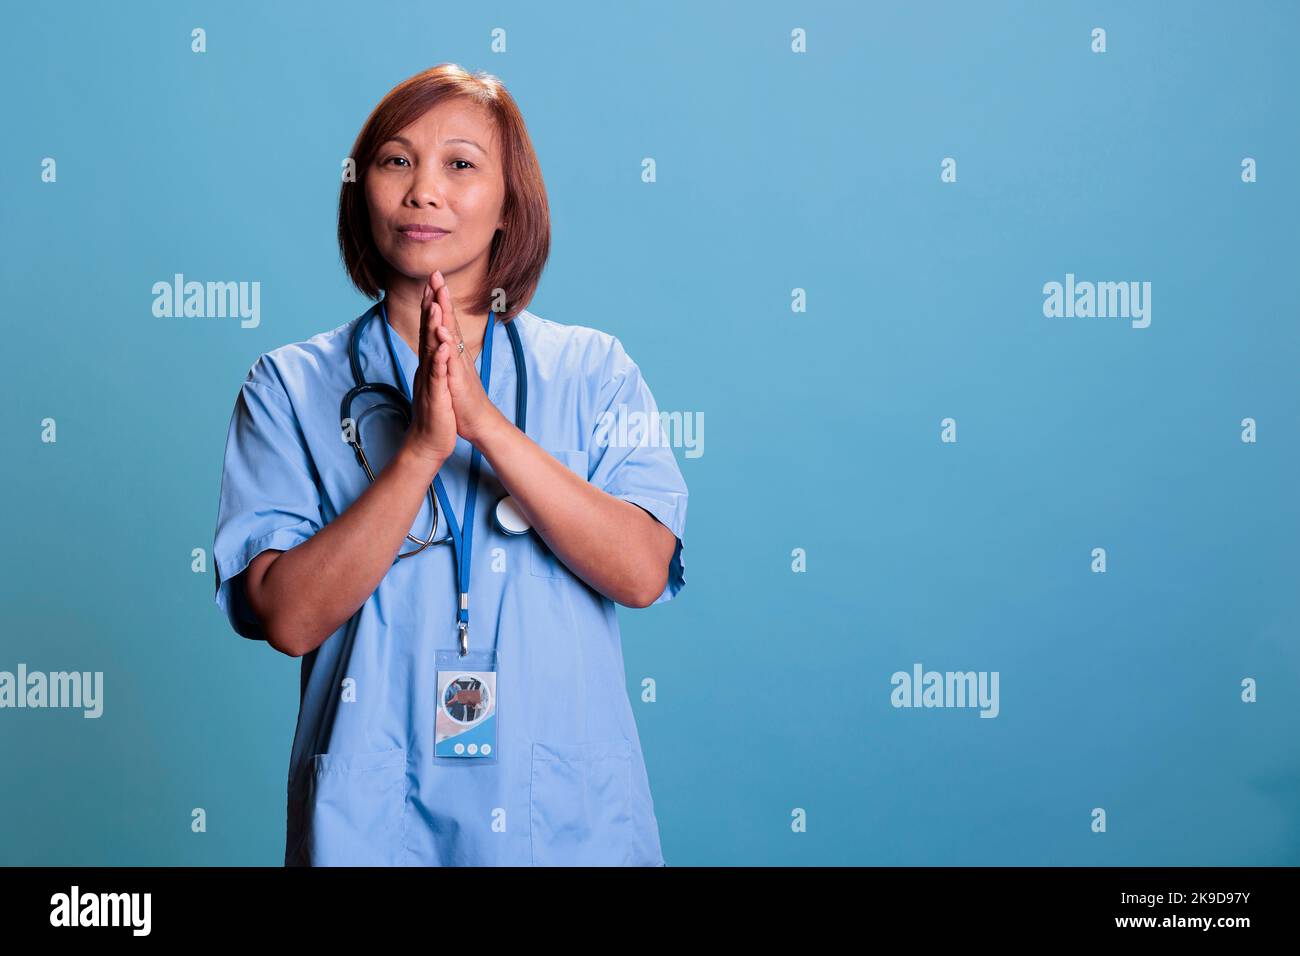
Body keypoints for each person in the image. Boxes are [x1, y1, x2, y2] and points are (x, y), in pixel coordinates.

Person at [211, 63, 687, 867]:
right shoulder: (288, 387)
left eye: (461, 164)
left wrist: (488, 428)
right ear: (363, 190)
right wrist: (422, 454)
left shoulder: (596, 371)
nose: (423, 190)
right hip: (371, 819)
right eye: (397, 161)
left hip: (562, 823)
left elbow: (642, 571)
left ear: (511, 203)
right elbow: (287, 619)